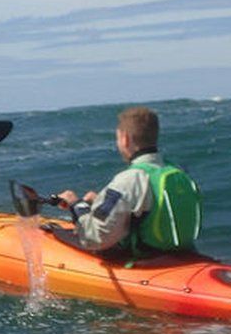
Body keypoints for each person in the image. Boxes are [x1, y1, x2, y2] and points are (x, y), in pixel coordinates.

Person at [56, 106, 202, 257]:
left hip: (147, 263)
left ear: (125, 139)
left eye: (118, 138)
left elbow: (95, 238)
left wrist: (76, 204)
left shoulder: (129, 179)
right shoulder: (179, 172)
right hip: (185, 256)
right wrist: (100, 200)